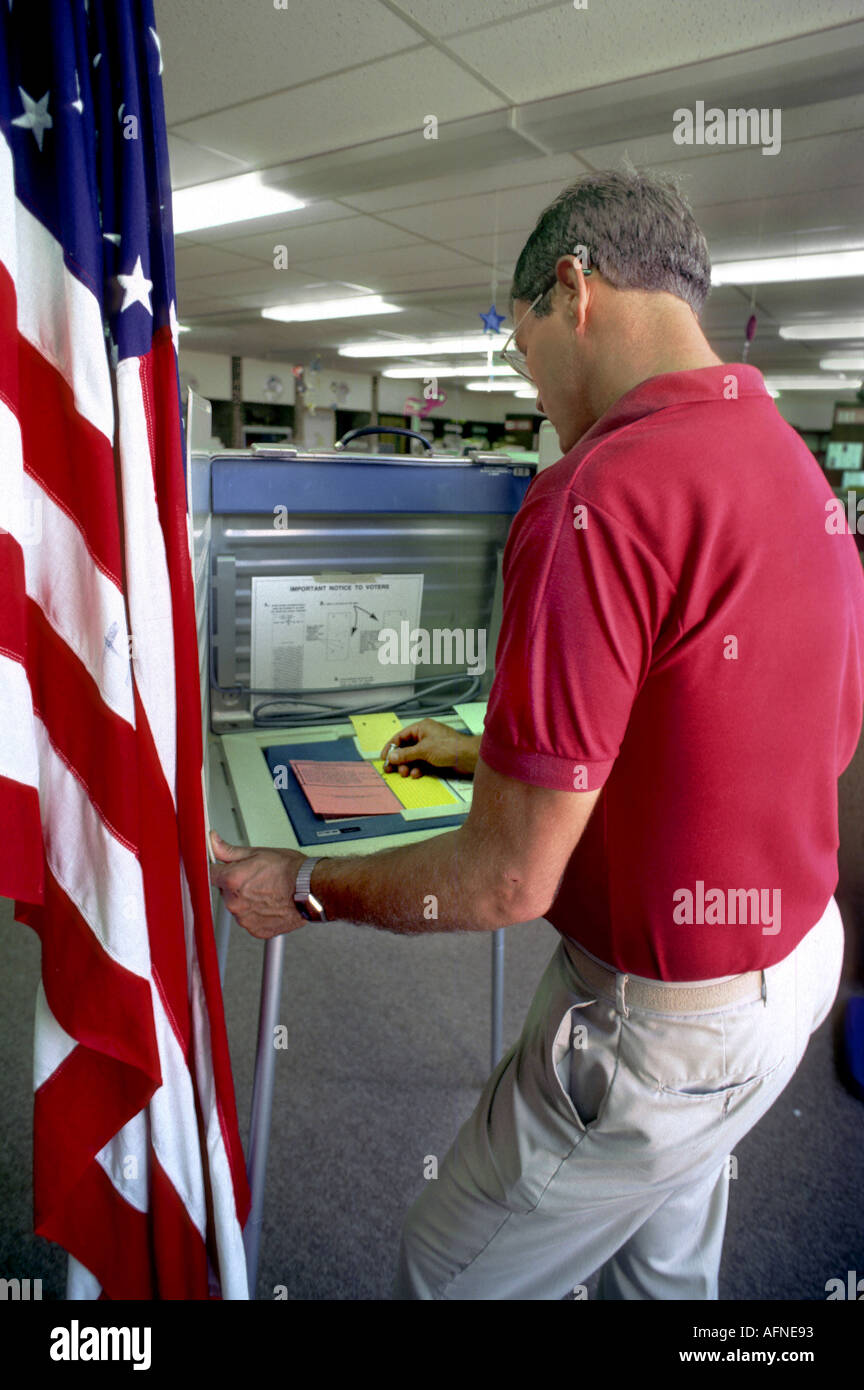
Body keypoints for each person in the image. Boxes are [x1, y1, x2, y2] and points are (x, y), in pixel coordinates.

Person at [210, 166, 864, 1300]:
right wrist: (510, 756)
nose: (533, 388)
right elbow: (781, 736)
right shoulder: (794, 466)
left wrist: (302, 883)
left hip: (658, 1026)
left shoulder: (596, 493)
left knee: (448, 1266)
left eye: (522, 349)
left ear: (574, 288)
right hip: (794, 971)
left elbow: (505, 878)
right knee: (662, 1269)